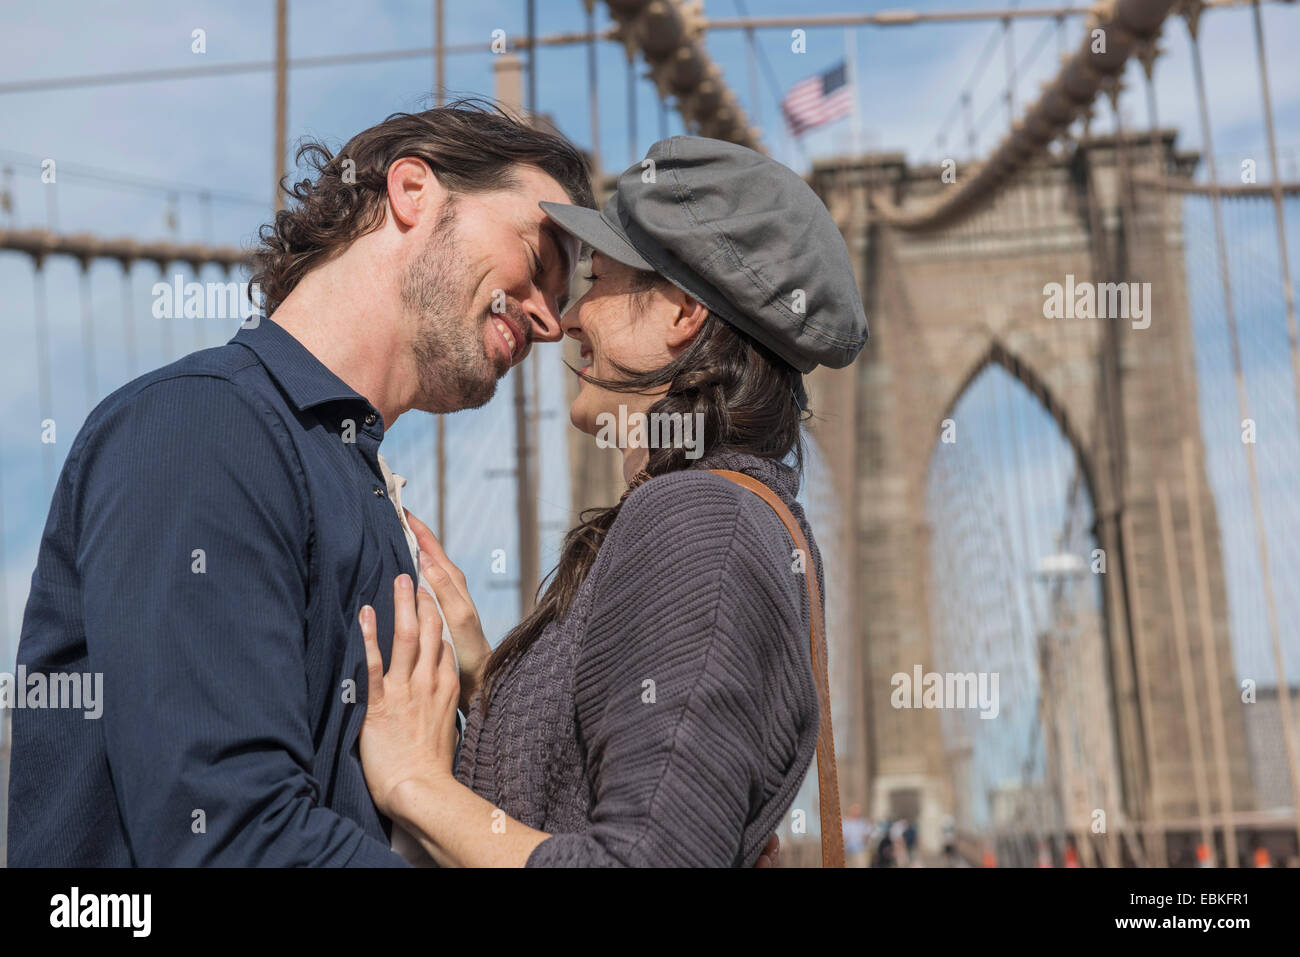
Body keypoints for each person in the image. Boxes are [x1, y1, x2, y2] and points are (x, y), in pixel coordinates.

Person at [6, 101, 595, 866]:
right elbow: (229, 843)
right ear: (413, 190)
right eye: (539, 256)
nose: (552, 320)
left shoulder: (354, 483)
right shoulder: (204, 428)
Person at [354, 135, 868, 866]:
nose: (567, 319)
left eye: (599, 280)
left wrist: (411, 781)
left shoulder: (703, 526)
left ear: (683, 314)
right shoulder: (721, 513)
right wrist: (485, 679)